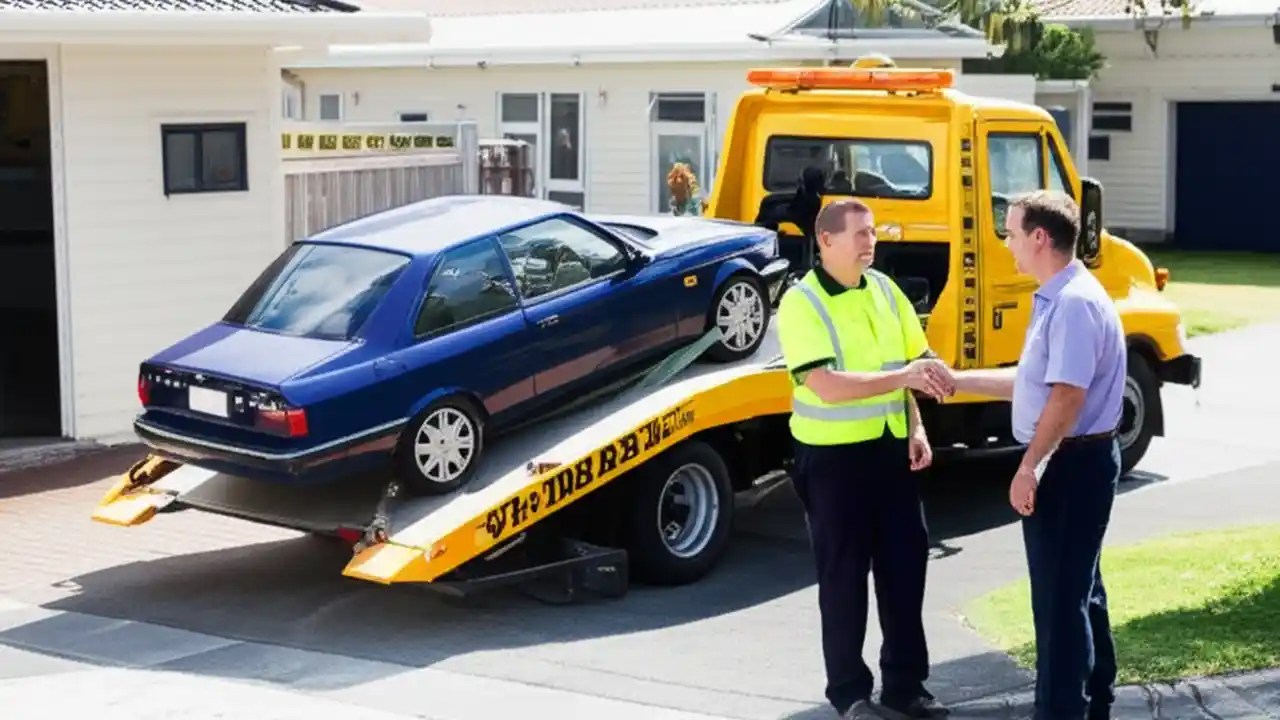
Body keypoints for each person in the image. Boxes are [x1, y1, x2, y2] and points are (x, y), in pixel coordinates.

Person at [776, 197, 955, 720]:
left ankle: (906, 687)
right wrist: (904, 380)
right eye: (859, 234)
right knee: (843, 579)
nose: (870, 242)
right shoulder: (802, 303)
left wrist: (916, 426)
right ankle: (851, 696)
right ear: (826, 241)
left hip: (889, 452)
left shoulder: (885, 289)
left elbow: (911, 363)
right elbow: (826, 386)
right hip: (832, 463)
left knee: (905, 571)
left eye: (873, 232)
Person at [949, 190, 1125, 720]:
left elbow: (1067, 397)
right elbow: (1033, 384)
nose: (1007, 244)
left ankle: (1061, 711)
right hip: (1076, 460)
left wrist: (1029, 467)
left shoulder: (1072, 305)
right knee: (1081, 589)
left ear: (1040, 238)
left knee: (1057, 603)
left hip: (1071, 465)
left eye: (1012, 233)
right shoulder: (1059, 296)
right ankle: (1096, 699)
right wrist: (955, 382)